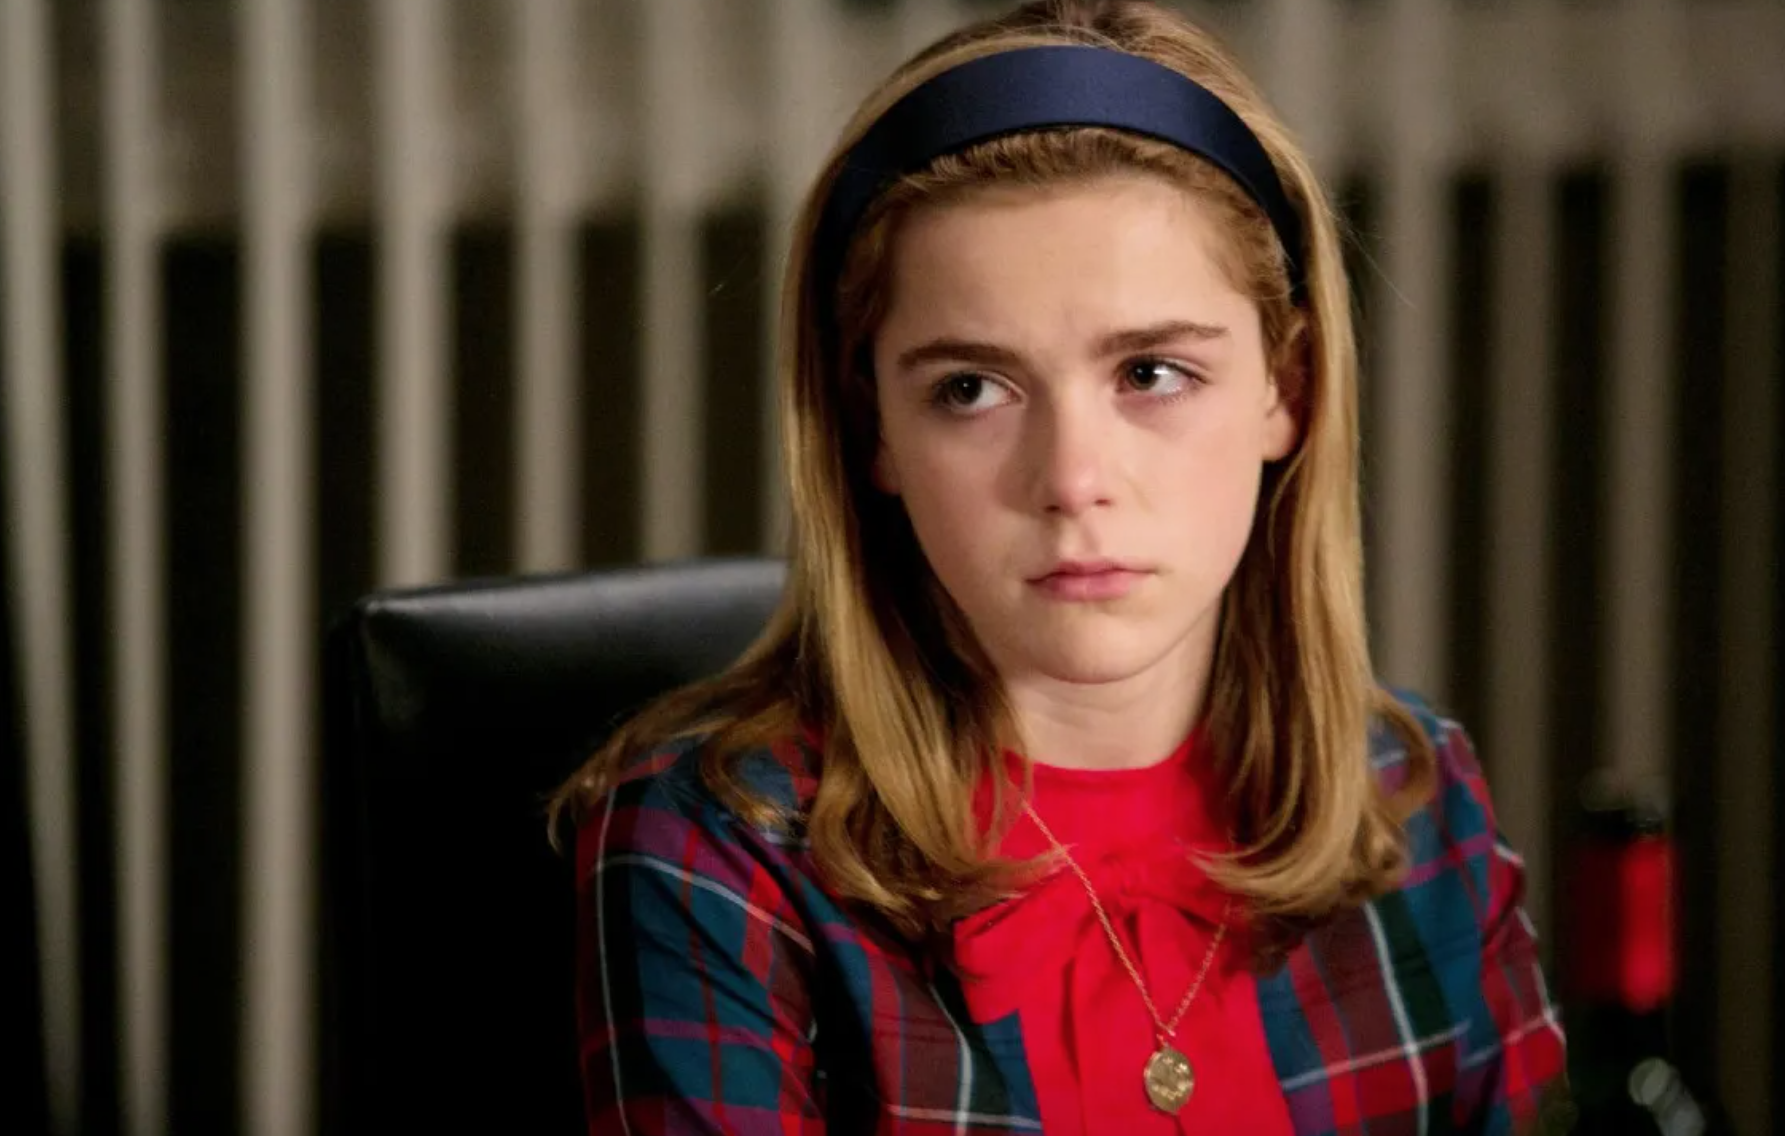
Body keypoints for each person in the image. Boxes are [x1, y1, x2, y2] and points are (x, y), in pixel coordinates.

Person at [548, 2, 1567, 1132]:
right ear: (873, 428)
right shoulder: (716, 851)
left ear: (1288, 389)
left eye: (1152, 373)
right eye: (971, 389)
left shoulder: (1412, 793)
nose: (1072, 480)